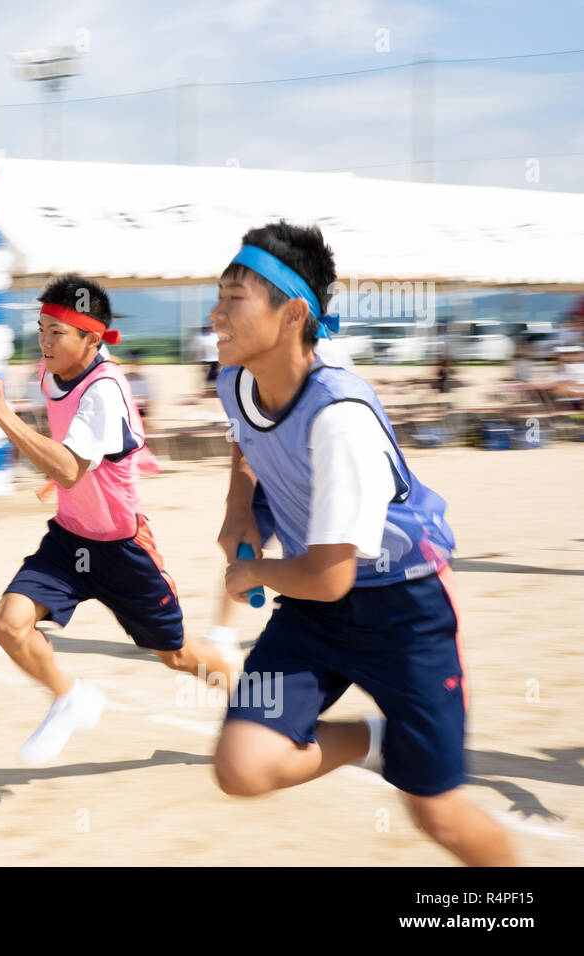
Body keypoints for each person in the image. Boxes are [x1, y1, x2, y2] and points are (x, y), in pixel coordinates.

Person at [209, 220, 516, 866]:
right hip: (316, 612)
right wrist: (240, 506)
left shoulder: (339, 419)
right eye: (220, 295)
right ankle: (376, 739)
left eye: (235, 298)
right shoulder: (237, 376)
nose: (216, 314)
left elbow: (328, 577)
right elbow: (244, 431)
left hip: (406, 609)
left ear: (293, 315)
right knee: (241, 764)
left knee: (438, 815)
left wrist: (249, 574)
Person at [0, 274, 237, 766]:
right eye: (41, 328)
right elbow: (69, 462)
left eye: (56, 333)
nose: (44, 341)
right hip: (69, 540)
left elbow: (69, 469)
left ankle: (255, 708)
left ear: (92, 338)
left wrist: (5, 417)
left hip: (122, 547)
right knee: (8, 625)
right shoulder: (52, 372)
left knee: (176, 655)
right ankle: (69, 697)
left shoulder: (104, 390)